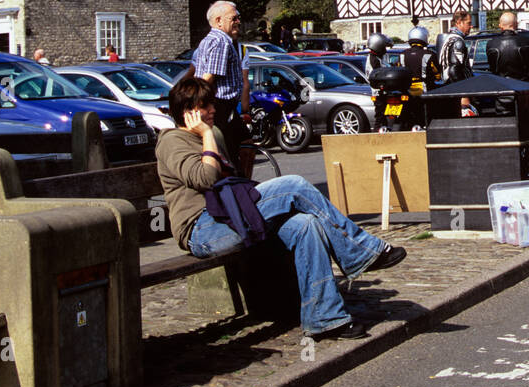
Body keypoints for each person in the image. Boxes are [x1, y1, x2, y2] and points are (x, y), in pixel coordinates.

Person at [156, 76, 405, 340]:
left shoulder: (211, 134)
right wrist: (207, 135)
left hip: (229, 217)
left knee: (305, 225)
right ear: (188, 112)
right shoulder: (172, 141)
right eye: (206, 106)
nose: (213, 110)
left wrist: (211, 136)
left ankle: (325, 317)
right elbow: (205, 178)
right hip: (202, 229)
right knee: (294, 185)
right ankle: (359, 252)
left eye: (212, 105)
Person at [192, 0, 251, 163]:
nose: (238, 21)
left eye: (238, 18)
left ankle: (241, 181)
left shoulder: (208, 39)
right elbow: (208, 77)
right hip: (220, 106)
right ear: (219, 21)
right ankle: (236, 183)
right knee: (228, 153)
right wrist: (195, 102)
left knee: (247, 144)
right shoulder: (221, 42)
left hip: (225, 106)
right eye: (234, 18)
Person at [399, 25, 440, 130]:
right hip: (423, 88)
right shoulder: (429, 54)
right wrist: (437, 77)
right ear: (424, 37)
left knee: (409, 110)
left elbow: (398, 69)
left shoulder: (402, 54)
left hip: (406, 89)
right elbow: (437, 73)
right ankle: (427, 125)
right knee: (429, 109)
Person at [438, 10, 475, 116]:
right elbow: (454, 70)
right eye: (468, 23)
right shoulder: (457, 41)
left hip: (449, 89)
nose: (471, 26)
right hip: (457, 92)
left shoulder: (450, 38)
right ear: (459, 22)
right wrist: (464, 95)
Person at [486, 11, 529, 82]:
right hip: (523, 83)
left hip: (501, 84)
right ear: (516, 24)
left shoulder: (491, 44)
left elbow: (492, 67)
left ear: (500, 26)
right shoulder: (528, 41)